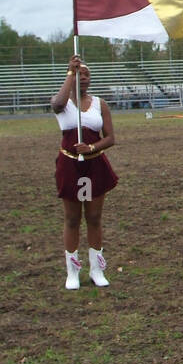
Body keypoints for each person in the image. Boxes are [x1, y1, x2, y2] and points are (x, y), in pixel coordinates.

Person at [50, 55, 118, 289]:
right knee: (72, 219)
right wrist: (70, 72)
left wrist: (91, 147)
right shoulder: (62, 103)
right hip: (70, 166)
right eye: (80, 73)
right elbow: (57, 104)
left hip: (93, 166)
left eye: (87, 74)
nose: (84, 78)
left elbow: (110, 138)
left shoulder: (100, 104)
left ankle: (97, 269)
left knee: (94, 218)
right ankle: (72, 272)